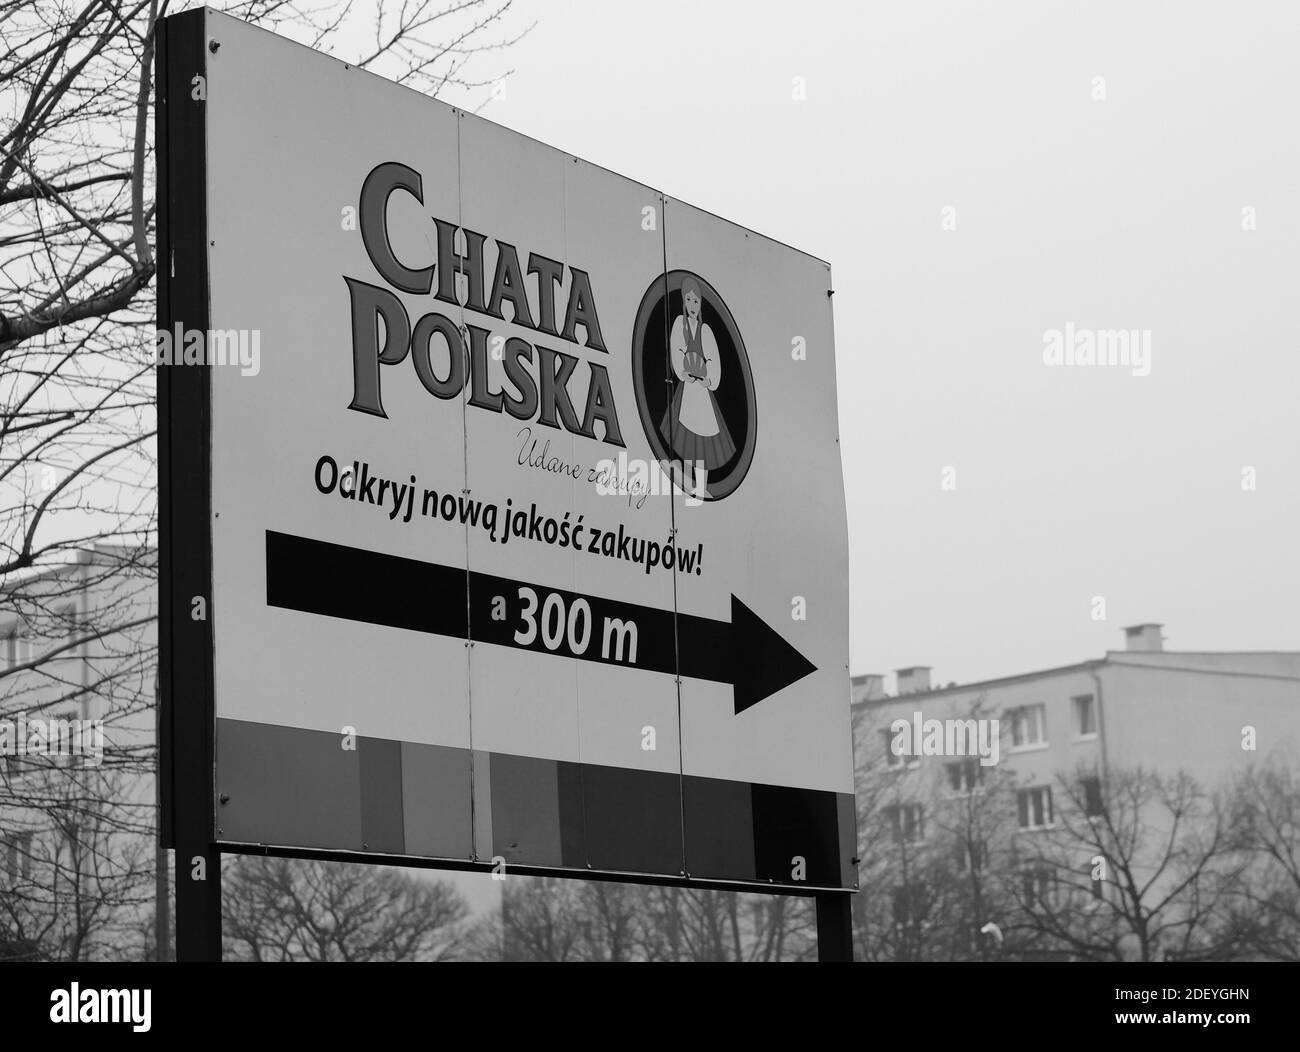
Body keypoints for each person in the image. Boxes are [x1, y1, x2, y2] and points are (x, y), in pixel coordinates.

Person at [660, 277, 735, 498]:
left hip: (702, 392)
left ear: (700, 304)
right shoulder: (678, 325)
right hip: (688, 389)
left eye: (696, 301)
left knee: (705, 439)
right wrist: (684, 373)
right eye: (689, 300)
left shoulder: (706, 331)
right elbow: (677, 353)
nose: (692, 305)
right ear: (684, 301)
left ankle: (701, 485)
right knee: (686, 435)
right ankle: (685, 476)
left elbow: (713, 361)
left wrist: (708, 380)